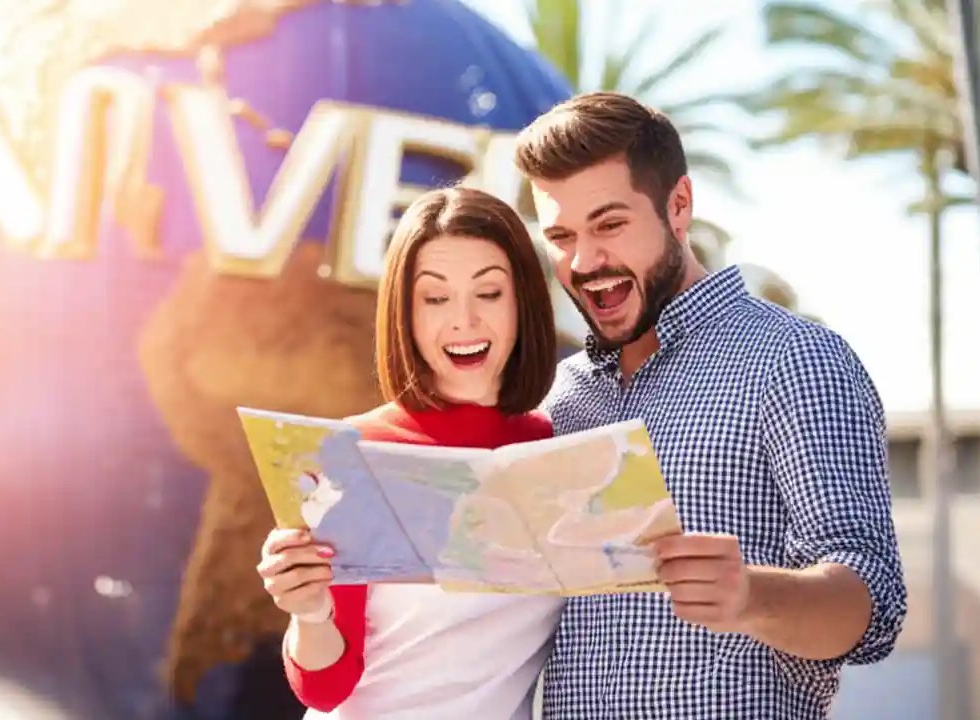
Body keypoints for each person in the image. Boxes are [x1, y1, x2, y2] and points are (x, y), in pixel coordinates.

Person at [512, 91, 908, 719]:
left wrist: (751, 595)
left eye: (610, 224)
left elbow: (872, 605)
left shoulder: (795, 360)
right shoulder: (563, 398)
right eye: (562, 235)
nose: (585, 262)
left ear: (679, 205)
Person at [256, 186, 563, 718]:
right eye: (436, 298)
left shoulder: (557, 452)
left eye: (489, 293)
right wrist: (309, 613)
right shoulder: (352, 456)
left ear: (523, 303)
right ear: (405, 312)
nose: (463, 320)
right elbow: (325, 690)